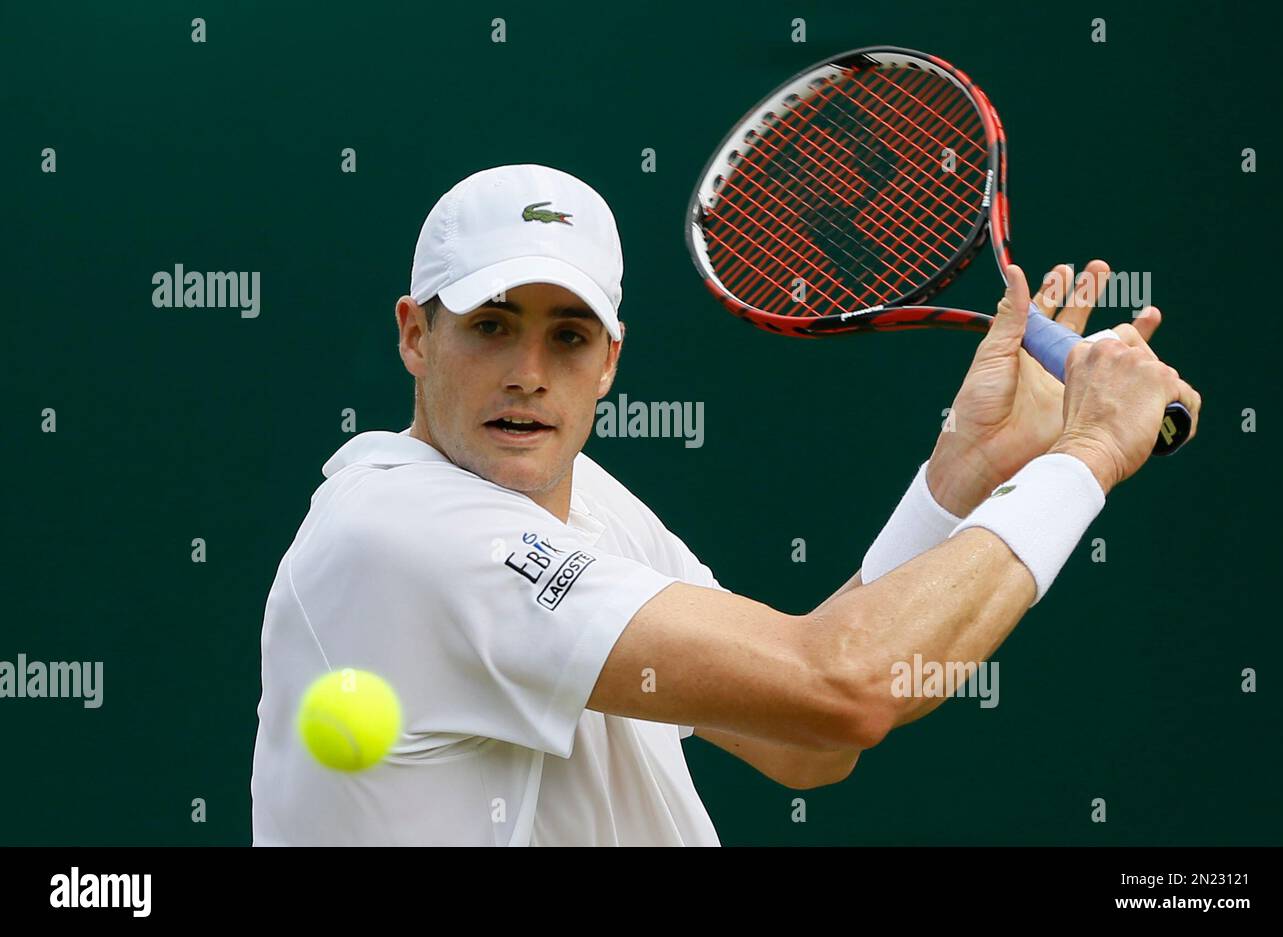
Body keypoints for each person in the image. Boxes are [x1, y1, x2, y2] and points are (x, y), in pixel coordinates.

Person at [250, 163, 1201, 846]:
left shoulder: (590, 506)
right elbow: (843, 688)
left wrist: (964, 472)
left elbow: (801, 742)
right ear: (415, 336)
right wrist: (1086, 455)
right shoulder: (399, 533)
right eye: (491, 326)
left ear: (610, 361)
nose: (529, 373)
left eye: (568, 336)